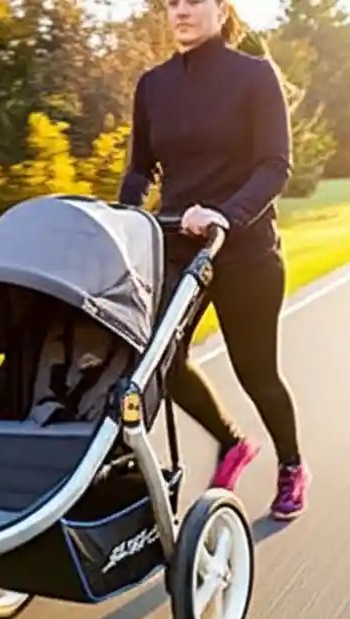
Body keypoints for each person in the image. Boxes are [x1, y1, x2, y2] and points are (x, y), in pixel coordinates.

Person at [118, 0, 311, 520]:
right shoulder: (152, 87)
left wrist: (226, 215)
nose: (180, 11)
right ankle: (232, 442)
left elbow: (276, 166)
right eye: (172, 3)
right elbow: (140, 171)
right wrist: (121, 216)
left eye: (193, 1)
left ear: (221, 8)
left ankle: (292, 465)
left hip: (245, 250)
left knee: (256, 371)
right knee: (159, 361)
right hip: (178, 248)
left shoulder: (254, 75)